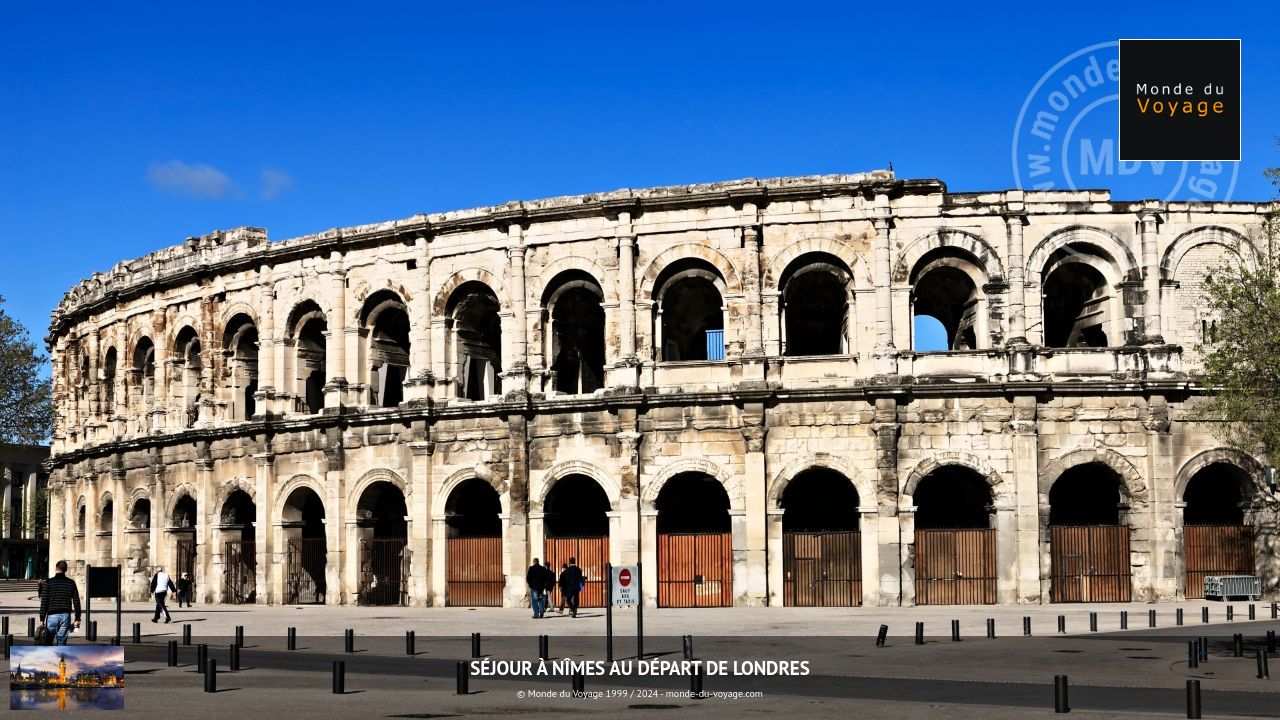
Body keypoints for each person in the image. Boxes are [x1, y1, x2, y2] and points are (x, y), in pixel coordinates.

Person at [38, 560, 81, 646]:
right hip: (66, 616)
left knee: (48, 641)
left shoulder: (48, 582)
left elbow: (44, 601)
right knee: (62, 642)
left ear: (55, 568)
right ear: (66, 570)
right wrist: (77, 617)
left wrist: (42, 618)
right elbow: (76, 601)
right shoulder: (71, 582)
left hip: (52, 615)